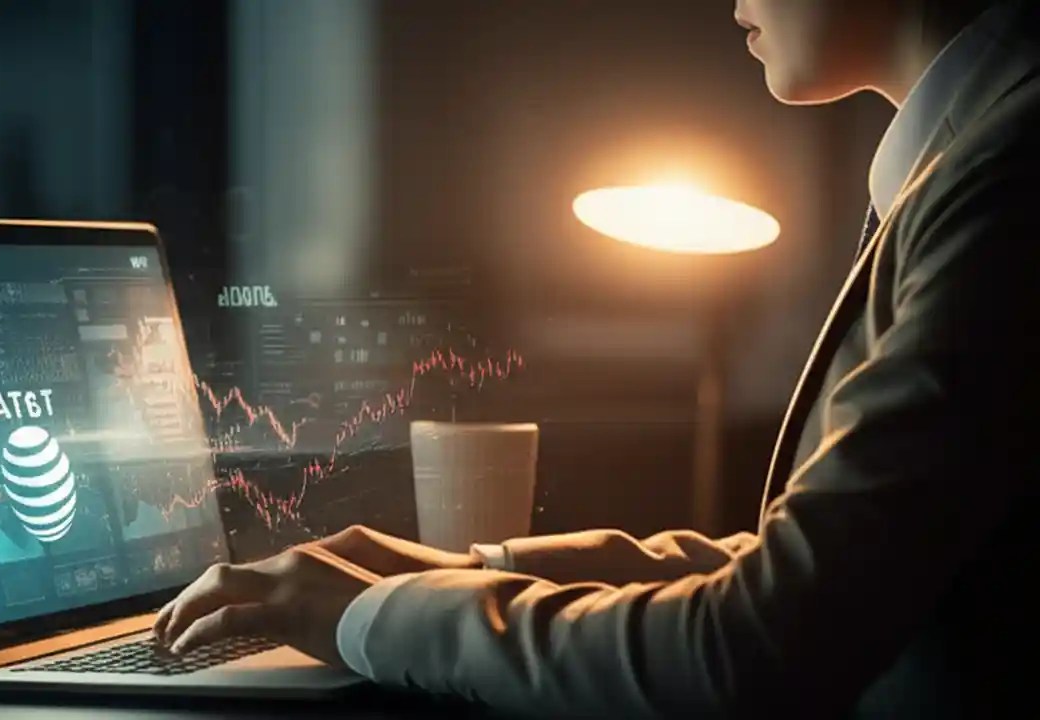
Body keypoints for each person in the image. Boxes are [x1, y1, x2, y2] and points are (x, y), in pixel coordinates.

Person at [154, 0, 1040, 715]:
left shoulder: (1007, 178)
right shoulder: (975, 149)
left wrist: (370, 616)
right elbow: (815, 575)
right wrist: (471, 571)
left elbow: (764, 641)